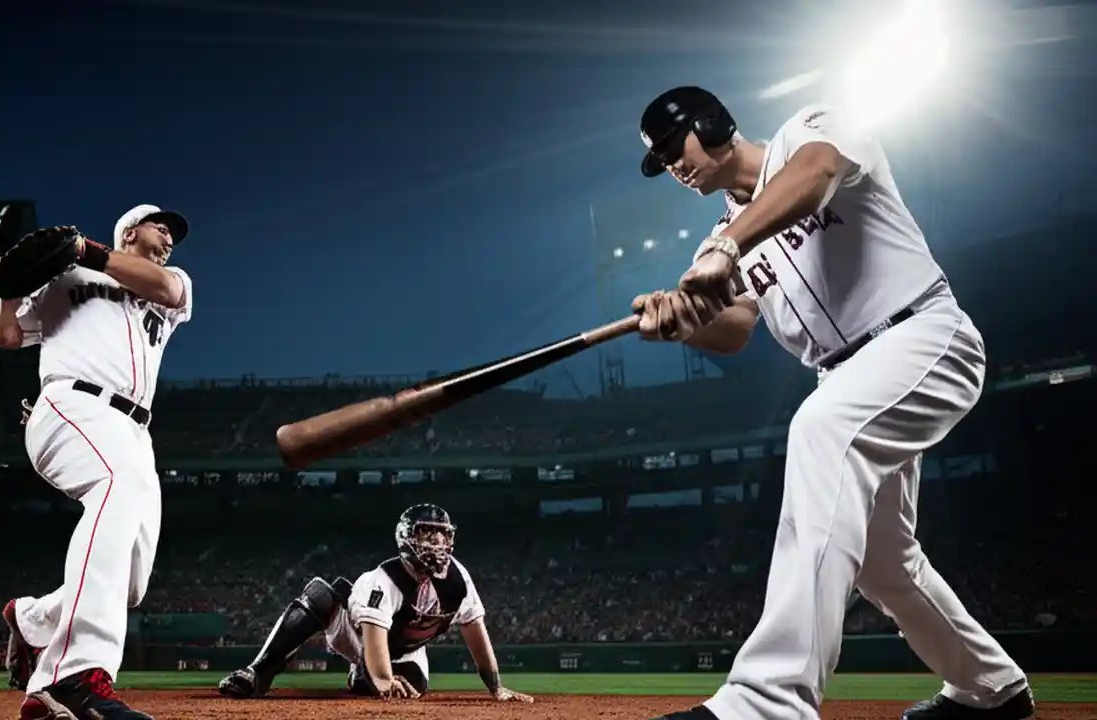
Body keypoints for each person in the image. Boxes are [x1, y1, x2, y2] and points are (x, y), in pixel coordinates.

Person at [630, 86, 1033, 720]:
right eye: (658, 161)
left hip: (922, 333)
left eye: (671, 147)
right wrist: (681, 323)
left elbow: (817, 174)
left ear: (709, 124)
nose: (670, 167)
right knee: (883, 563)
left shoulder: (809, 132)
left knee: (820, 430)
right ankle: (990, 690)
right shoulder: (723, 234)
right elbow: (733, 329)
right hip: (845, 378)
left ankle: (768, 702)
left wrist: (724, 249)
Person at [0, 204, 194, 720]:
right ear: (129, 230)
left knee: (129, 581)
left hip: (134, 429)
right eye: (160, 224)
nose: (169, 235)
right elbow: (10, 335)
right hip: (72, 404)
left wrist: (86, 250)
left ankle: (34, 619)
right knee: (117, 485)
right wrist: (5, 273)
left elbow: (167, 291)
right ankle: (74, 676)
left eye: (173, 232)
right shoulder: (63, 275)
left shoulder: (170, 282)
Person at [217, 504, 533, 704]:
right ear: (406, 537)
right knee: (318, 594)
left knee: (412, 688)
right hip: (356, 635)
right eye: (427, 534)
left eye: (441, 536)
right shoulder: (383, 579)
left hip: (406, 650)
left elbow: (476, 633)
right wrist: (383, 680)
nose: (436, 544)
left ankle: (361, 679)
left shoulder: (459, 579)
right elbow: (373, 640)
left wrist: (497, 688)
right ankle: (257, 673)